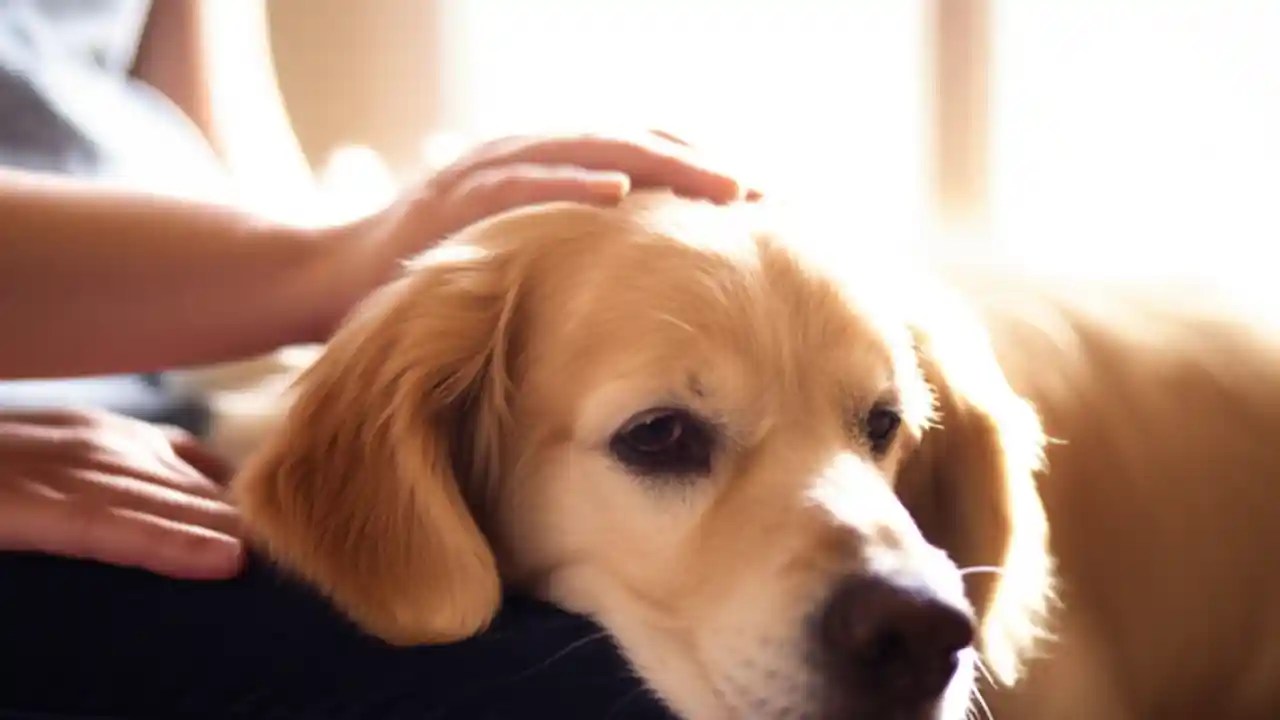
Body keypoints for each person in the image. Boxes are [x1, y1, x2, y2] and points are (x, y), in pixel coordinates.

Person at [0, 2, 749, 717]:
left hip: (184, 368)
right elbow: (314, 266)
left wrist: (367, 320)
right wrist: (324, 266)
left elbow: (197, 112)